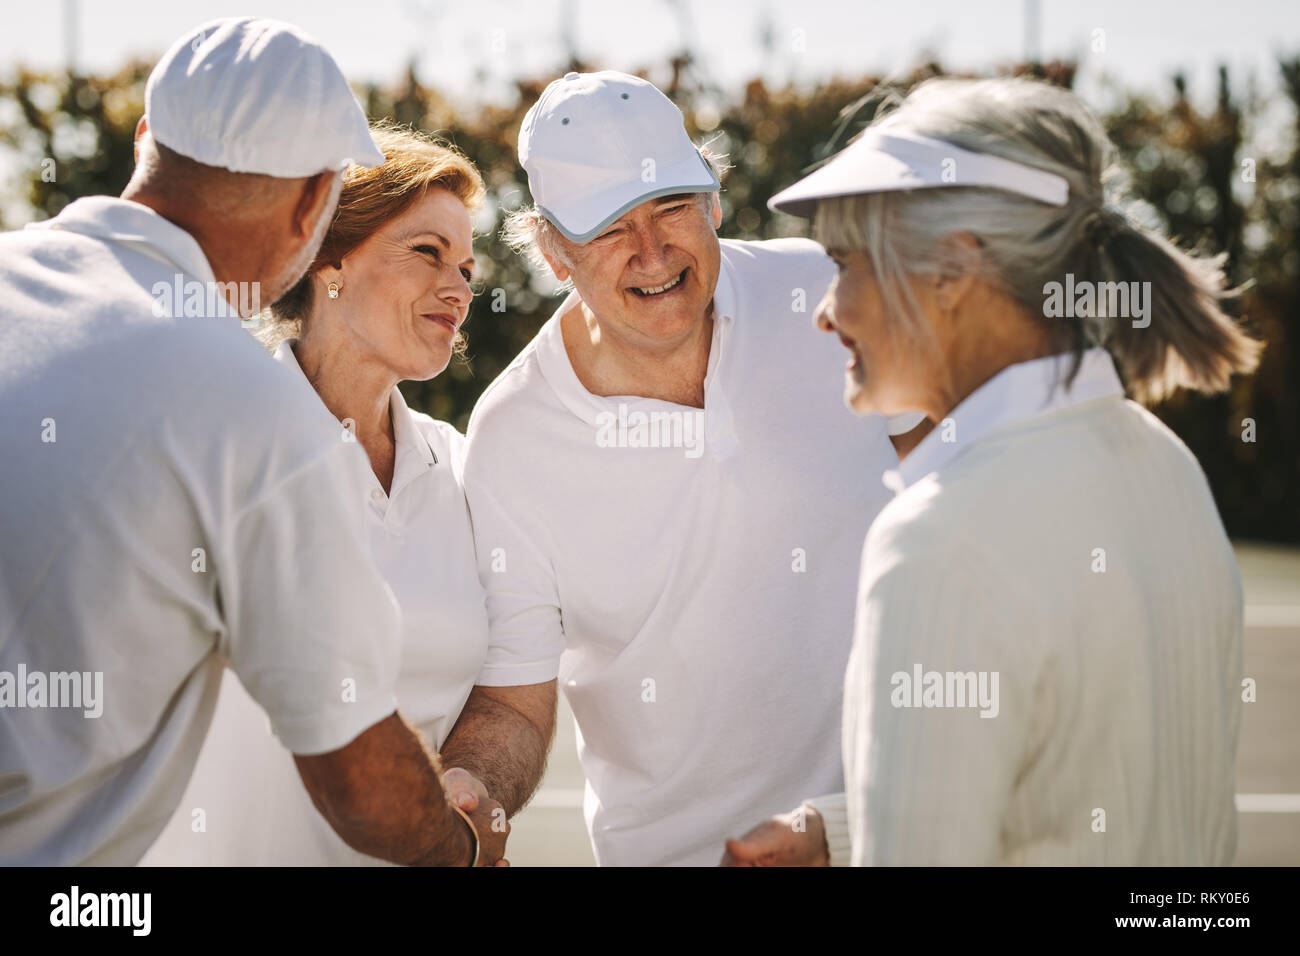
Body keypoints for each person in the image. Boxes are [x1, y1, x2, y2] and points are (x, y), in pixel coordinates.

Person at [0, 18, 504, 867]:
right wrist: (460, 849)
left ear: (146, 137)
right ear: (314, 207)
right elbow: (358, 773)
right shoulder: (252, 409)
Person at [725, 76, 1260, 865]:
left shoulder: (938, 540)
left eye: (844, 264)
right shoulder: (1164, 463)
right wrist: (838, 831)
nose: (825, 309)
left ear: (951, 267)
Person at [463, 70, 924, 866]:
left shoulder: (828, 291)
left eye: (671, 206)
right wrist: (473, 793)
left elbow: (949, 487)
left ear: (712, 198)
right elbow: (514, 699)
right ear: (552, 251)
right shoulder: (510, 437)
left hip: (891, 834)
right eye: (609, 226)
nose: (652, 252)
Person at [142, 125, 549, 865]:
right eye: (427, 252)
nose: (459, 286)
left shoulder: (466, 470)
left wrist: (466, 796)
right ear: (327, 260)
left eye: (466, 263)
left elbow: (513, 696)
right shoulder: (207, 444)